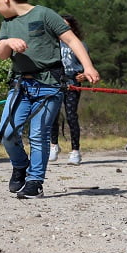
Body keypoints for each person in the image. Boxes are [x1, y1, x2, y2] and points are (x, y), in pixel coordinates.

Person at [0, 0, 100, 199]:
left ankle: (35, 182)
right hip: (21, 86)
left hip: (49, 86)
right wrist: (8, 43)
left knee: (39, 135)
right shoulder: (8, 24)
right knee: (7, 133)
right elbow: (1, 55)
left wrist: (88, 66)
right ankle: (21, 165)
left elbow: (72, 41)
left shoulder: (45, 14)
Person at [49, 14, 87, 166]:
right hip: (55, 83)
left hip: (72, 83)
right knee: (52, 115)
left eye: (67, 26)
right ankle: (53, 145)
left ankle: (75, 151)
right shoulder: (51, 44)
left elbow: (86, 65)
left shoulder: (79, 44)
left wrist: (84, 74)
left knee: (71, 115)